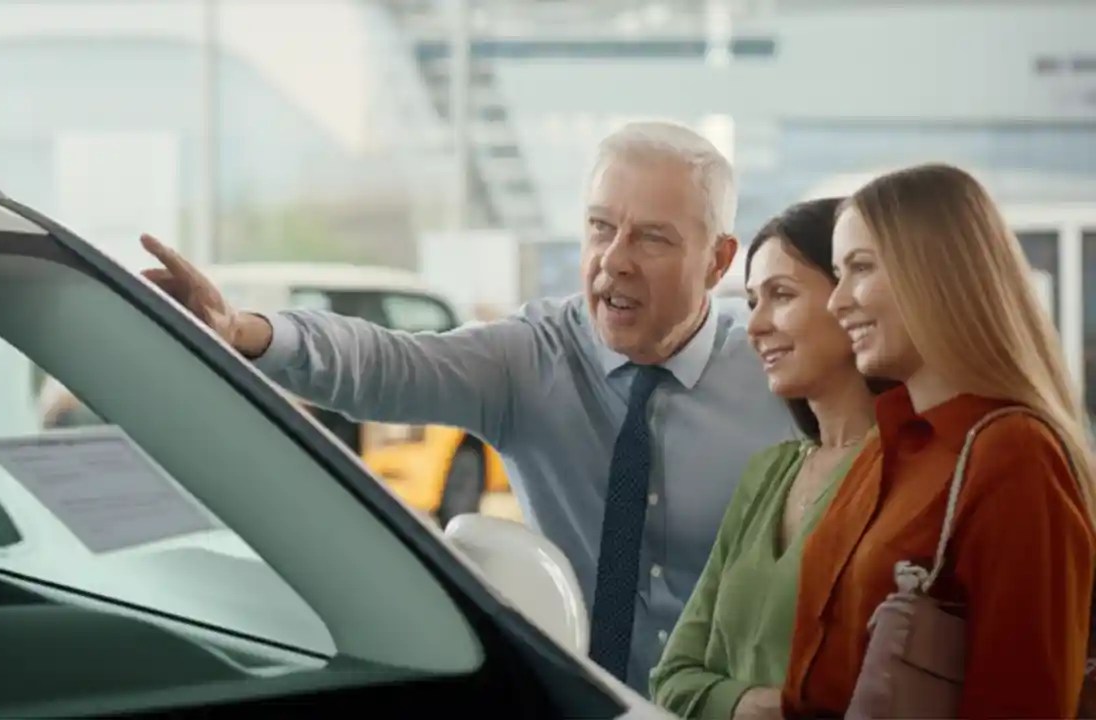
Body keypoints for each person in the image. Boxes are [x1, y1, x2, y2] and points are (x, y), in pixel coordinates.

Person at [137, 120, 797, 693]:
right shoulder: (530, 359)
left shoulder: (784, 373)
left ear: (717, 261)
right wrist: (244, 331)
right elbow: (384, 363)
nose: (613, 261)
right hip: (569, 700)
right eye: (600, 227)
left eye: (652, 238)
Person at [781, 163, 1096, 717]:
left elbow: (1024, 702)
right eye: (837, 270)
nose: (837, 301)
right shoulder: (886, 447)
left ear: (936, 273)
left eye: (861, 267)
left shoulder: (1016, 455)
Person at [648, 197, 886, 718]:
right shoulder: (769, 472)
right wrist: (743, 704)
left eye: (781, 295)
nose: (754, 326)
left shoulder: (907, 472)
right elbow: (671, 675)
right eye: (753, 300)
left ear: (853, 298)